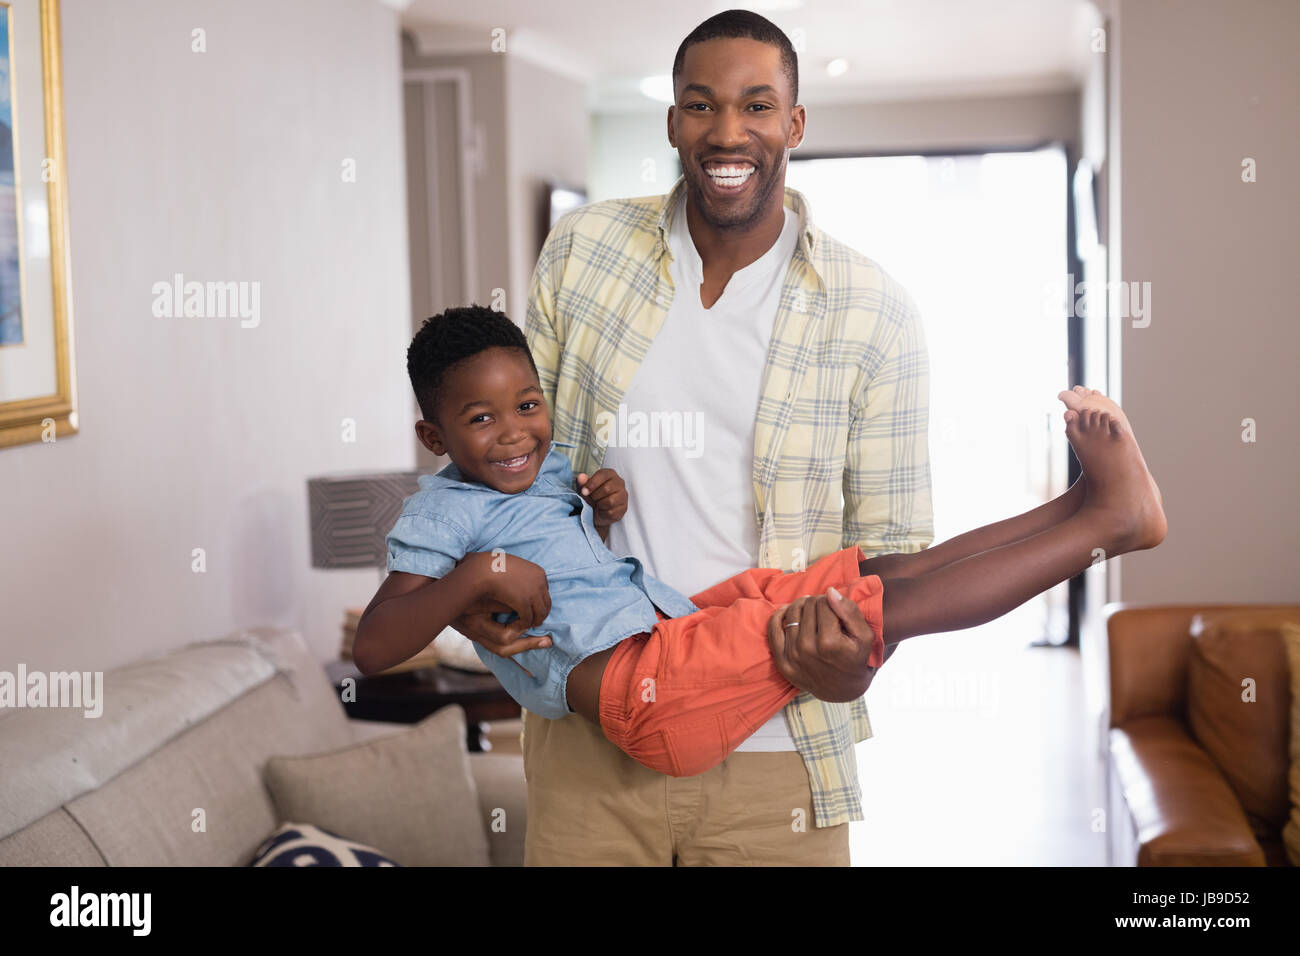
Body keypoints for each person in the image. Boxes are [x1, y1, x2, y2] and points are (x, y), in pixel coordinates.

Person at [462, 9, 931, 866]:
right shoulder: (583, 253)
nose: (728, 132)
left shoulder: (874, 309)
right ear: (673, 121)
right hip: (589, 732)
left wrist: (858, 659)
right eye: (701, 105)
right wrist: (480, 595)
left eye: (757, 107)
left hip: (776, 751)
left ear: (793, 123)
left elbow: (894, 547)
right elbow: (515, 465)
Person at [354, 306, 1167, 786]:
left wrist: (599, 504)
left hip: (671, 634)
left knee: (868, 570)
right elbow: (376, 645)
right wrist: (479, 574)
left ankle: (1079, 505)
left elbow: (566, 575)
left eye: (527, 405)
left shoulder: (543, 470)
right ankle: (1108, 529)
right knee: (865, 611)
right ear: (434, 434)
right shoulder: (440, 517)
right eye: (481, 420)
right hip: (649, 690)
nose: (514, 435)